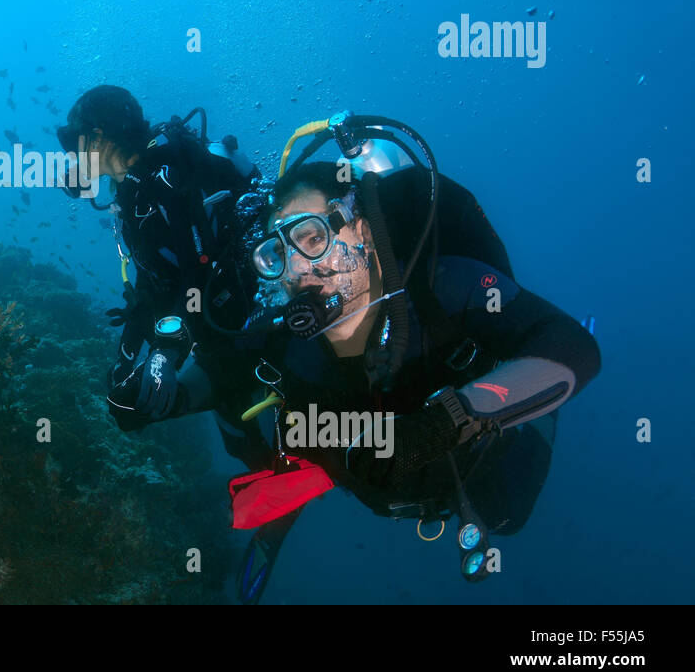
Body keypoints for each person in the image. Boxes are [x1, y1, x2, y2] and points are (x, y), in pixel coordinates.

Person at [225, 116, 601, 599]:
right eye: (278, 254)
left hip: (471, 471)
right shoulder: (286, 333)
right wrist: (167, 392)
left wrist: (443, 423)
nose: (297, 268)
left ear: (358, 228)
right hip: (365, 476)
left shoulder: (445, 287)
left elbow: (575, 347)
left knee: (507, 513)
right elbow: (223, 369)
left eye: (313, 238)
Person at [55, 86, 265, 462]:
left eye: (75, 140)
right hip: (211, 326)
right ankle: (265, 455)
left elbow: (196, 272)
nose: (72, 154)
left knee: (255, 432)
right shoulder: (131, 191)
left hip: (247, 325)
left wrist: (165, 354)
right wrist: (125, 358)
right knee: (126, 404)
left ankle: (278, 459)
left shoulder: (167, 182)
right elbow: (153, 282)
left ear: (100, 138)